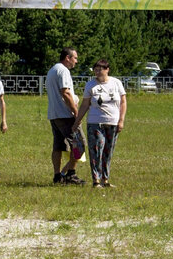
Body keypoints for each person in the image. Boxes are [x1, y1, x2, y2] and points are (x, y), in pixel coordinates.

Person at [73, 59, 127, 188]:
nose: (97, 72)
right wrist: (78, 120)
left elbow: (123, 102)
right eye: (95, 70)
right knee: (97, 150)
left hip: (113, 123)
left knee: (108, 152)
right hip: (95, 123)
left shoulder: (116, 83)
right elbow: (85, 104)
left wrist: (121, 120)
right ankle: (96, 180)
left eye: (100, 69)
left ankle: (105, 179)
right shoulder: (90, 85)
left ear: (107, 69)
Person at [46, 47, 83, 185]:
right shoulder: (63, 71)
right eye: (75, 58)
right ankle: (70, 174)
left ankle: (57, 176)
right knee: (80, 145)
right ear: (67, 58)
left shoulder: (53, 70)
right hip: (65, 115)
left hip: (54, 114)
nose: (76, 61)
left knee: (58, 146)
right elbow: (65, 92)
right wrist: (76, 112)